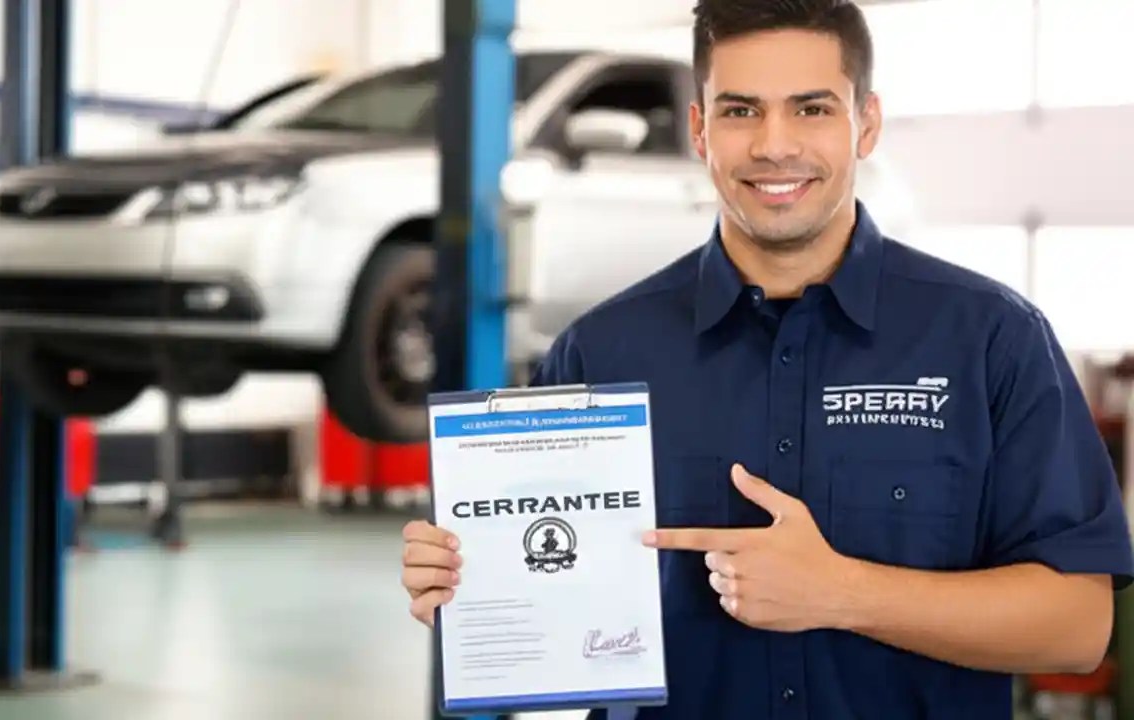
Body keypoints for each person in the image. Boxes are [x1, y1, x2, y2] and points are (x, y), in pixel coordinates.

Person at [400, 0, 1134, 717]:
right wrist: (478, 595)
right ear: (699, 128)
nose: (774, 145)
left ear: (865, 123)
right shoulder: (603, 353)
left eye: (811, 109)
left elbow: (1076, 626)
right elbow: (548, 594)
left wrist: (843, 592)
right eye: (740, 110)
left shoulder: (990, 339)